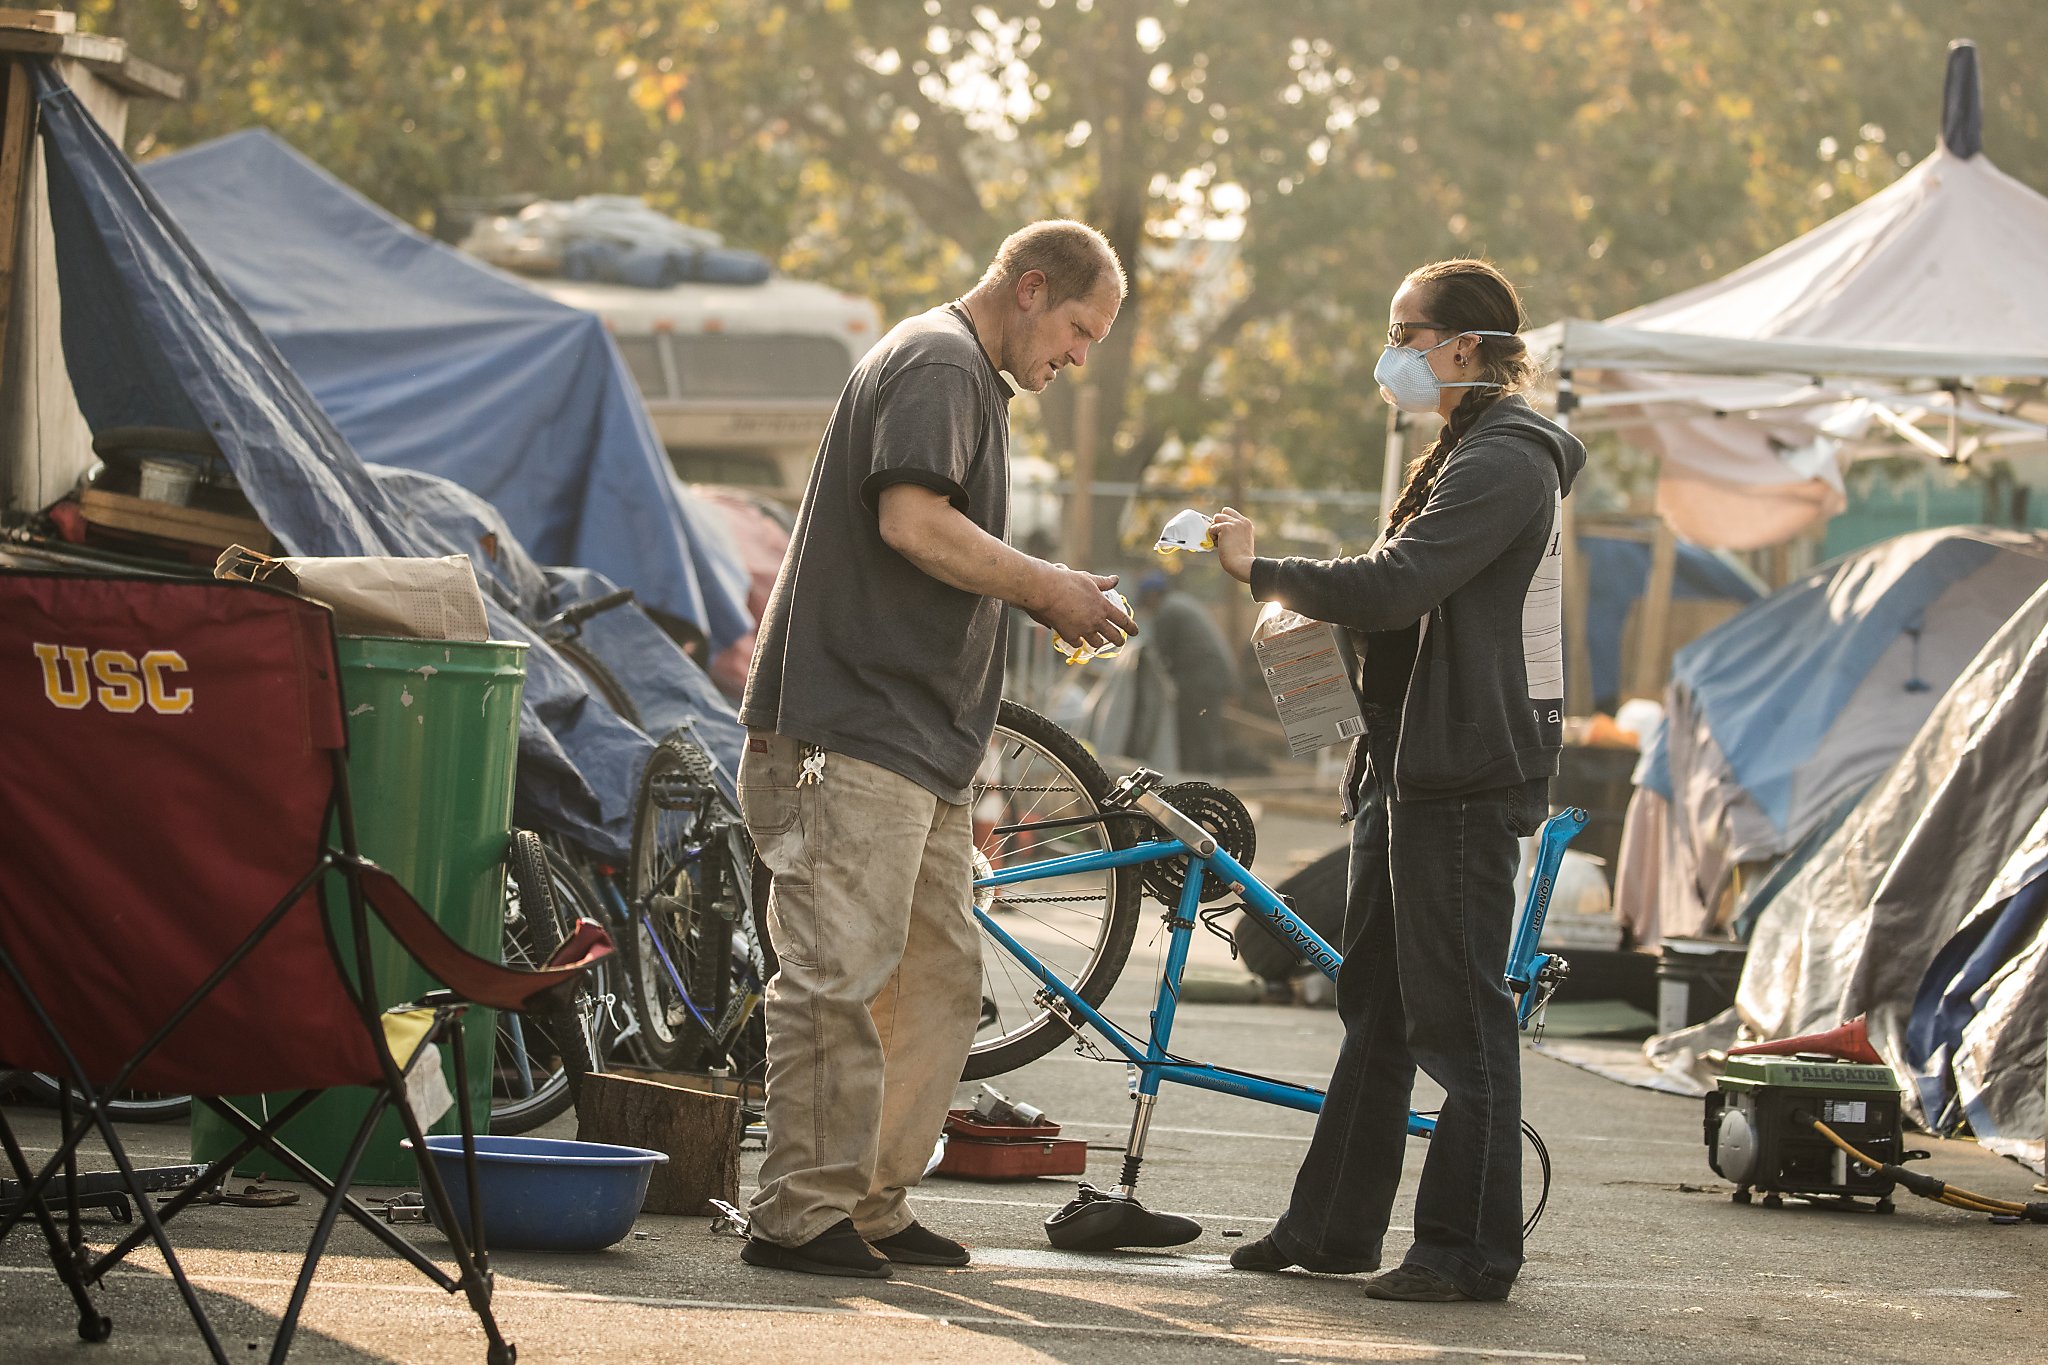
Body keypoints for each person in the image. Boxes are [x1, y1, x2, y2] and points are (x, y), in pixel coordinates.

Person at [736, 220, 1135, 1279]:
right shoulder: (939, 362)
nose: (1078, 357)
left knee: (937, 982)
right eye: (1077, 329)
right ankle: (799, 1218)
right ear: (1029, 287)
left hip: (919, 740)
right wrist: (1047, 583)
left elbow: (931, 549)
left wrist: (1031, 592)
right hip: (856, 726)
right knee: (837, 975)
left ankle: (865, 1204)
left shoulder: (964, 375)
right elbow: (914, 523)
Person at [1207, 258, 1584, 1303]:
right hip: (1406, 769)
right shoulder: (1461, 449)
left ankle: (1466, 1253)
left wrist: (1262, 571)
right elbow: (1403, 596)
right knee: (1373, 1000)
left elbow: (1398, 584)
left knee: (1461, 1017)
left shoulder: (1507, 458)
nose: (1392, 352)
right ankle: (1329, 1230)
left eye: (1404, 332)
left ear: (1463, 346)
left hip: (1460, 774)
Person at [1131, 569, 1237, 773]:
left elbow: (1158, 655)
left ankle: (1207, 781)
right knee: (1205, 729)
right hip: (1210, 676)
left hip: (1202, 678)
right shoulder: (1180, 603)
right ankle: (1209, 779)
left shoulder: (1168, 611)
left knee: (1196, 731)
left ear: (1152, 595)